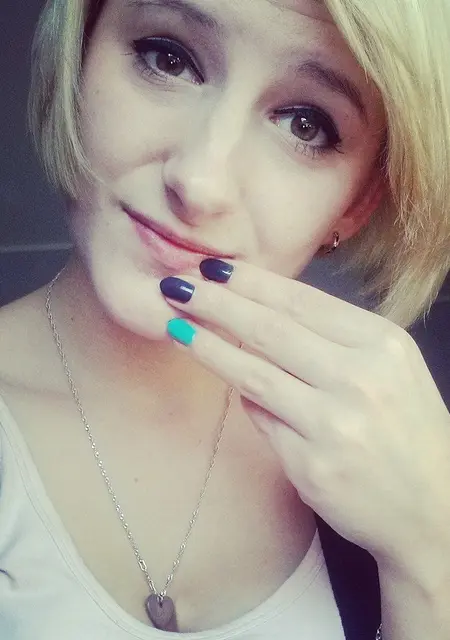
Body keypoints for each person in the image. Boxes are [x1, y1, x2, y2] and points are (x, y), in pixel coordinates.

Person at [0, 0, 449, 638]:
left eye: (305, 124)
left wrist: (431, 559)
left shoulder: (379, 450)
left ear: (357, 203)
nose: (200, 181)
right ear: (80, 57)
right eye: (168, 58)